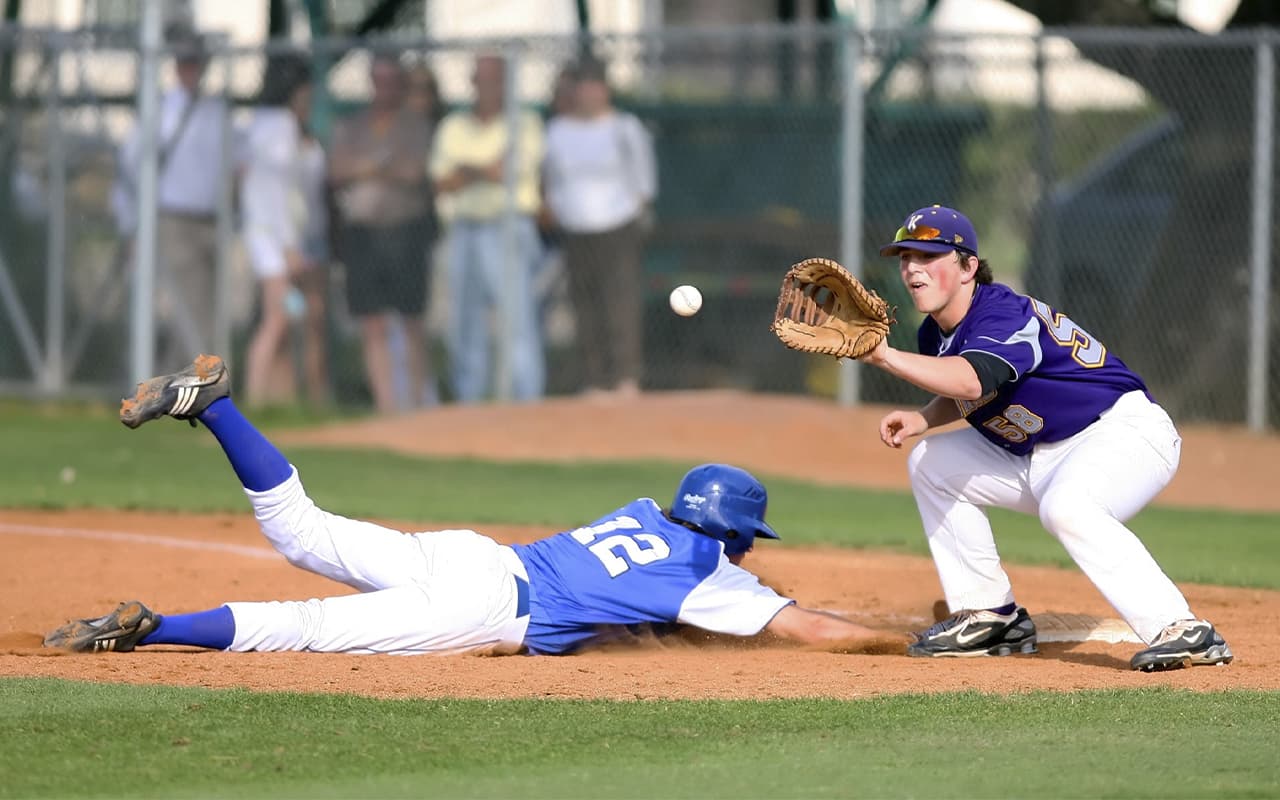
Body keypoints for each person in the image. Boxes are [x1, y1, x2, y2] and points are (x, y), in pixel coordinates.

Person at [44, 355, 905, 658]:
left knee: (299, 530)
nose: (748, 556)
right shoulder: (704, 574)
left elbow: (641, 607)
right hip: (484, 605)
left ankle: (216, 405)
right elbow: (812, 631)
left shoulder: (646, 512)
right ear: (729, 534)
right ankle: (153, 630)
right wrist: (910, 639)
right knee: (304, 624)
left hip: (473, 555)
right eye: (746, 541)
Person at [861, 204, 1233, 672]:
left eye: (928, 255)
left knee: (1068, 507)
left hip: (1122, 432)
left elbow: (976, 379)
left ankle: (1182, 629)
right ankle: (991, 617)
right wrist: (924, 419)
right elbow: (976, 389)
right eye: (905, 257)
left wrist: (883, 357)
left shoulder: (1002, 314)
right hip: (1041, 453)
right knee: (931, 462)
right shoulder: (933, 334)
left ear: (968, 267)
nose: (912, 267)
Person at [112, 23, 235, 371]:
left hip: (212, 218)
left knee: (207, 307)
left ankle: (184, 381)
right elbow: (130, 167)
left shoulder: (216, 111)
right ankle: (193, 383)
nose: (191, 70)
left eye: (196, 63)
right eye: (185, 63)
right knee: (190, 307)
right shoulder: (161, 112)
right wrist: (129, 222)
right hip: (174, 219)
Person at [431, 54, 545, 404]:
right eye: (480, 78)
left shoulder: (524, 122)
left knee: (516, 320)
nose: (486, 86)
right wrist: (483, 169)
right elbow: (442, 182)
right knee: (464, 322)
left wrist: (467, 170)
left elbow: (507, 172)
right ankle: (469, 402)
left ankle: (526, 402)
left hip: (508, 227)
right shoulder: (453, 126)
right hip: (464, 228)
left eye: (494, 79)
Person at [541, 57, 657, 399]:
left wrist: (633, 211)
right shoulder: (558, 130)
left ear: (605, 90)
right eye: (582, 87)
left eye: (595, 87)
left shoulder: (625, 128)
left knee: (620, 302)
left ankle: (625, 377)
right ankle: (594, 379)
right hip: (575, 228)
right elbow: (550, 181)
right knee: (584, 304)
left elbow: (643, 181)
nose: (589, 94)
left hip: (618, 226)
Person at [329, 54, 434, 413]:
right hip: (362, 235)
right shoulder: (352, 124)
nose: (384, 88)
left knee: (411, 320)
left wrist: (364, 167)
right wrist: (381, 164)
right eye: (379, 80)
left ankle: (417, 404)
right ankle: (387, 407)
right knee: (371, 321)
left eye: (392, 81)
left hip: (404, 232)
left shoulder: (414, 125)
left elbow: (413, 171)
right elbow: (338, 170)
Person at [239, 52, 330, 408]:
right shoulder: (279, 127)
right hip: (273, 240)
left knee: (292, 318)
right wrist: (290, 247)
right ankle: (256, 400)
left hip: (275, 237)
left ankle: (282, 400)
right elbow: (277, 194)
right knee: (277, 320)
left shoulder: (262, 125)